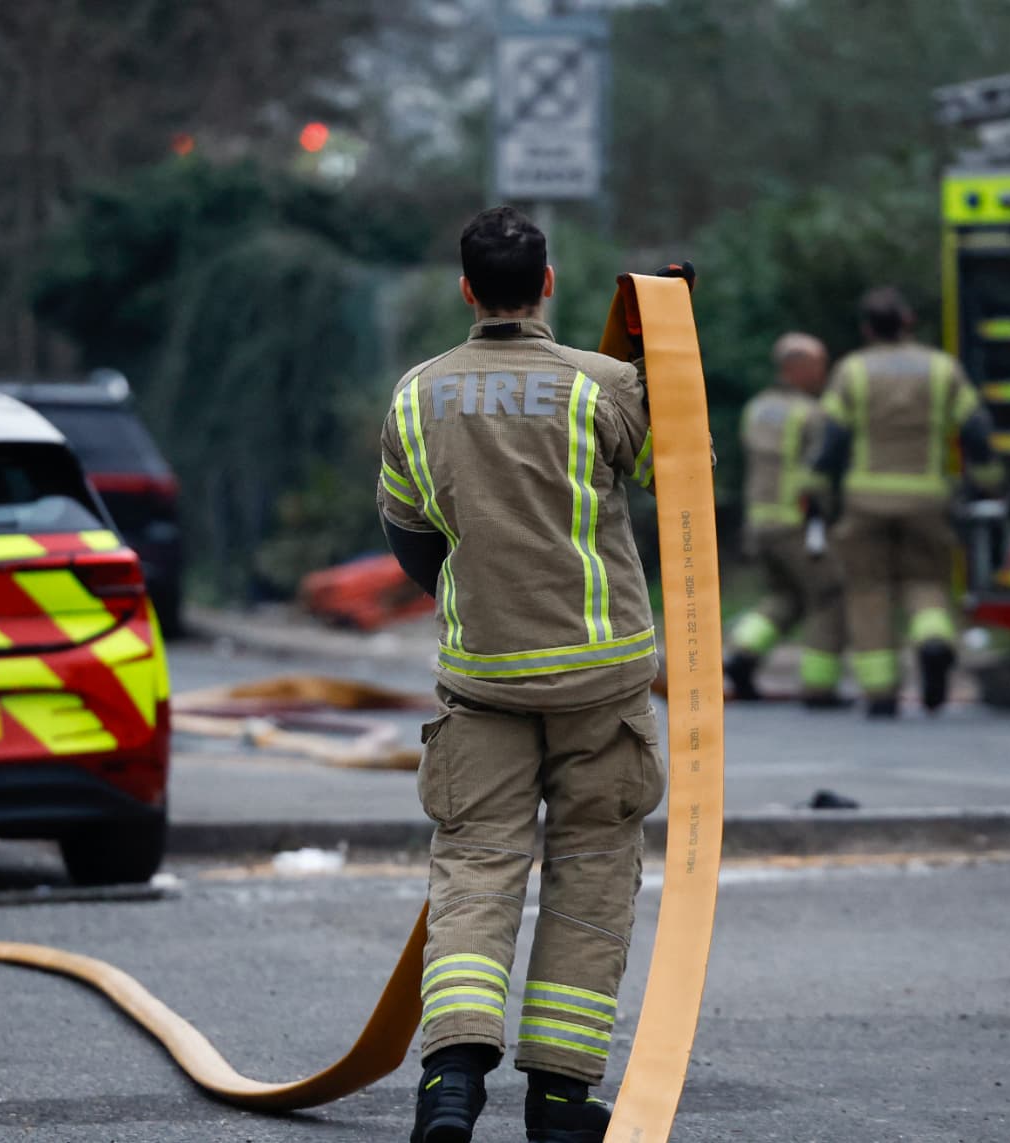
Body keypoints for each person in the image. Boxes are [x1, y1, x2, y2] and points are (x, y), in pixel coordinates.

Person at [378, 206, 675, 1143]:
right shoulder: (604, 387)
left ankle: (450, 1089)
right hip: (604, 681)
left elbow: (411, 542)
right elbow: (688, 482)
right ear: (547, 283)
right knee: (591, 875)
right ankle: (558, 1103)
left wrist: (486, 596)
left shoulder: (416, 395)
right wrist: (667, 366)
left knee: (475, 870)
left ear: (466, 289)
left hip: (484, 679)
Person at [815, 288, 1000, 717]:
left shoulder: (852, 371)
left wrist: (820, 492)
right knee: (927, 584)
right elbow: (975, 429)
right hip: (927, 498)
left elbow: (832, 441)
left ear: (866, 328)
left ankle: (880, 693)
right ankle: (934, 642)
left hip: (865, 500)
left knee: (868, 591)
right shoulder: (941, 369)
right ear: (909, 320)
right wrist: (988, 482)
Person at [724, 332, 846, 706]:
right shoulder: (812, 414)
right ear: (798, 367)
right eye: (819, 364)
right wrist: (827, 518)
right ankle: (819, 687)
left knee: (786, 596)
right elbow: (817, 474)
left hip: (760, 524)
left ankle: (742, 655)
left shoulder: (758, 408)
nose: (823, 372)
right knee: (829, 596)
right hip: (796, 523)